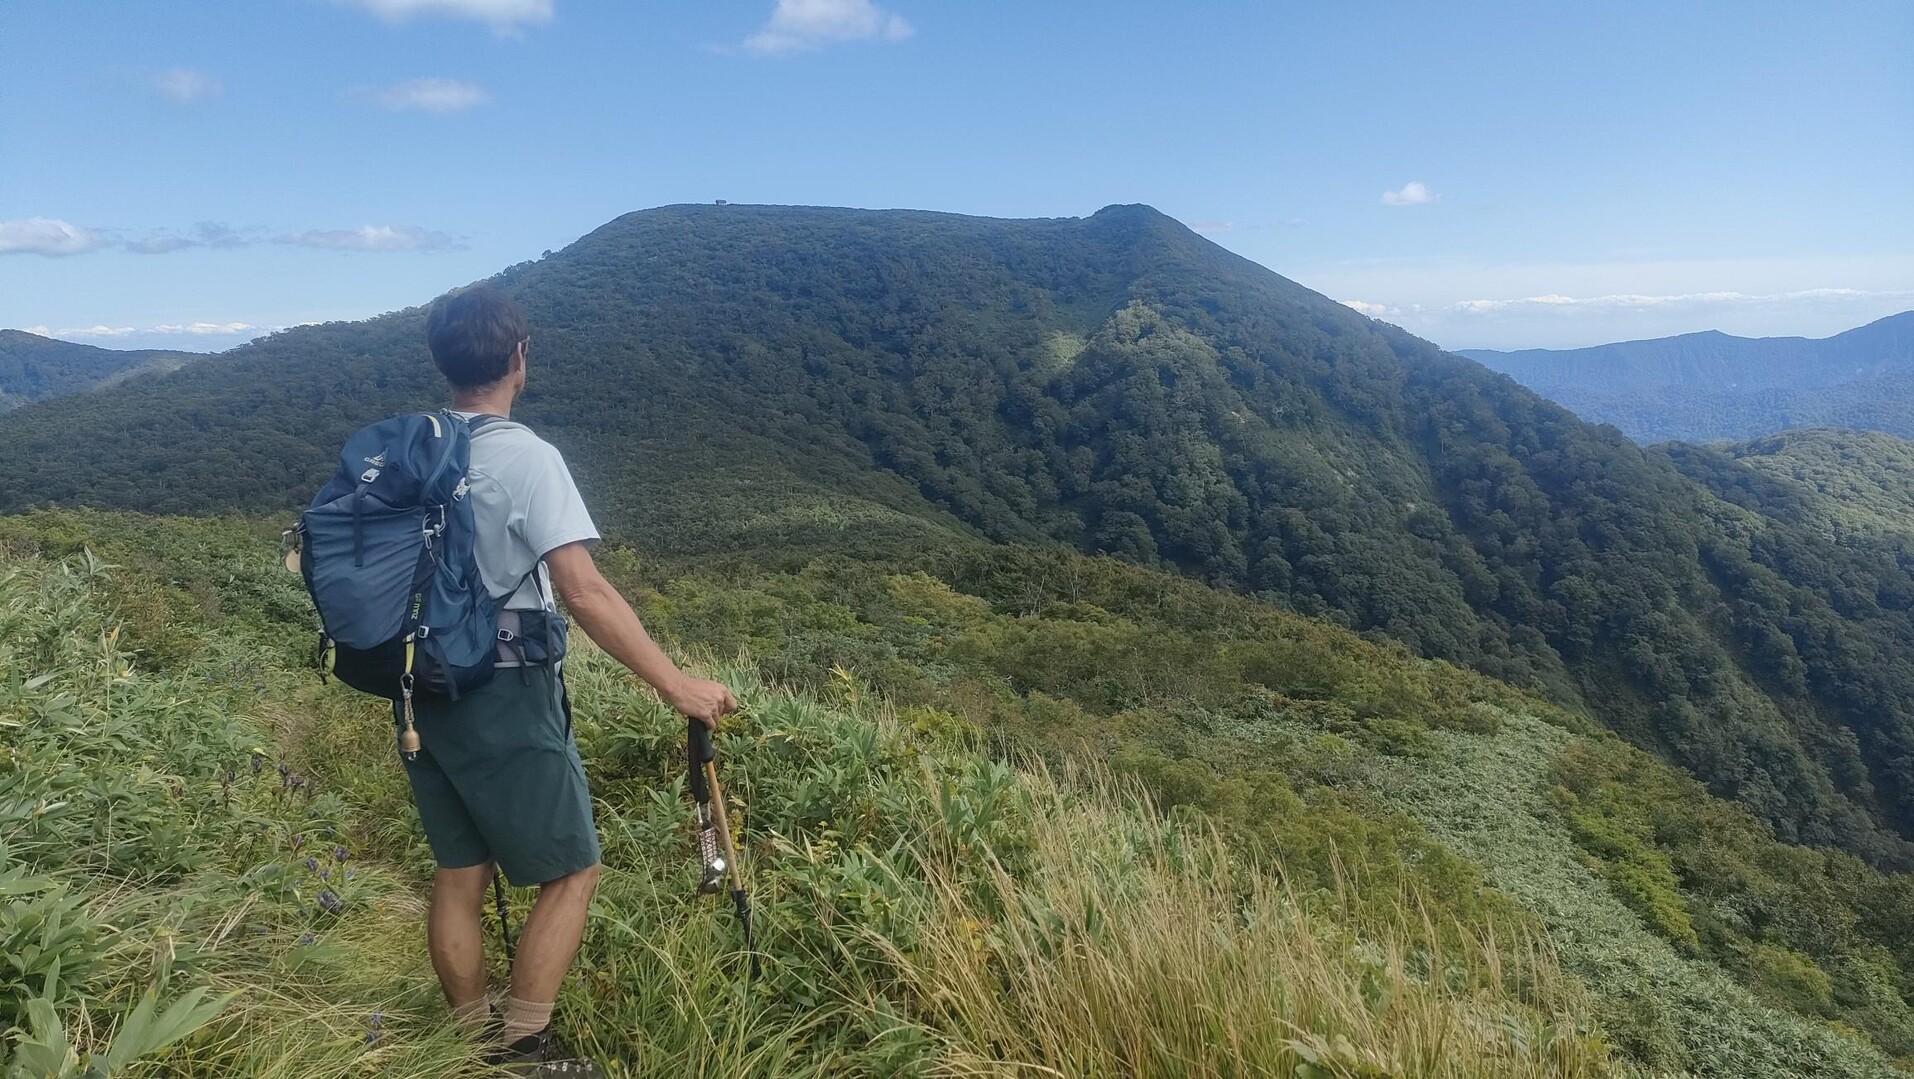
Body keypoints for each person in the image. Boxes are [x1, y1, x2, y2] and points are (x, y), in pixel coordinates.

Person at [405, 285, 737, 1073]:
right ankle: (523, 1047)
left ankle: (466, 1039)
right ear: (520, 357)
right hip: (503, 686)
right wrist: (675, 684)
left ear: (443, 362)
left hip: (419, 685)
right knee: (572, 867)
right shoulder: (526, 458)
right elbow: (583, 589)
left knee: (461, 868)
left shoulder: (415, 447)